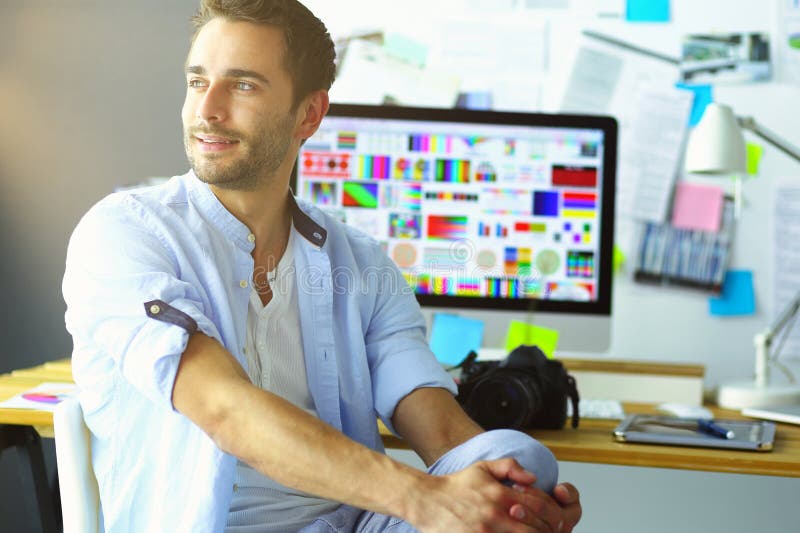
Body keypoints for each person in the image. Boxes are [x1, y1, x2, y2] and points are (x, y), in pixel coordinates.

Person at [62, 1, 583, 531]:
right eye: (198, 82)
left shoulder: (360, 263)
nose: (208, 110)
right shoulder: (124, 235)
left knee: (522, 459)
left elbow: (443, 433)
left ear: (308, 114)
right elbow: (225, 409)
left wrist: (511, 496)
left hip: (352, 525)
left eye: (242, 85)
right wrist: (425, 499)